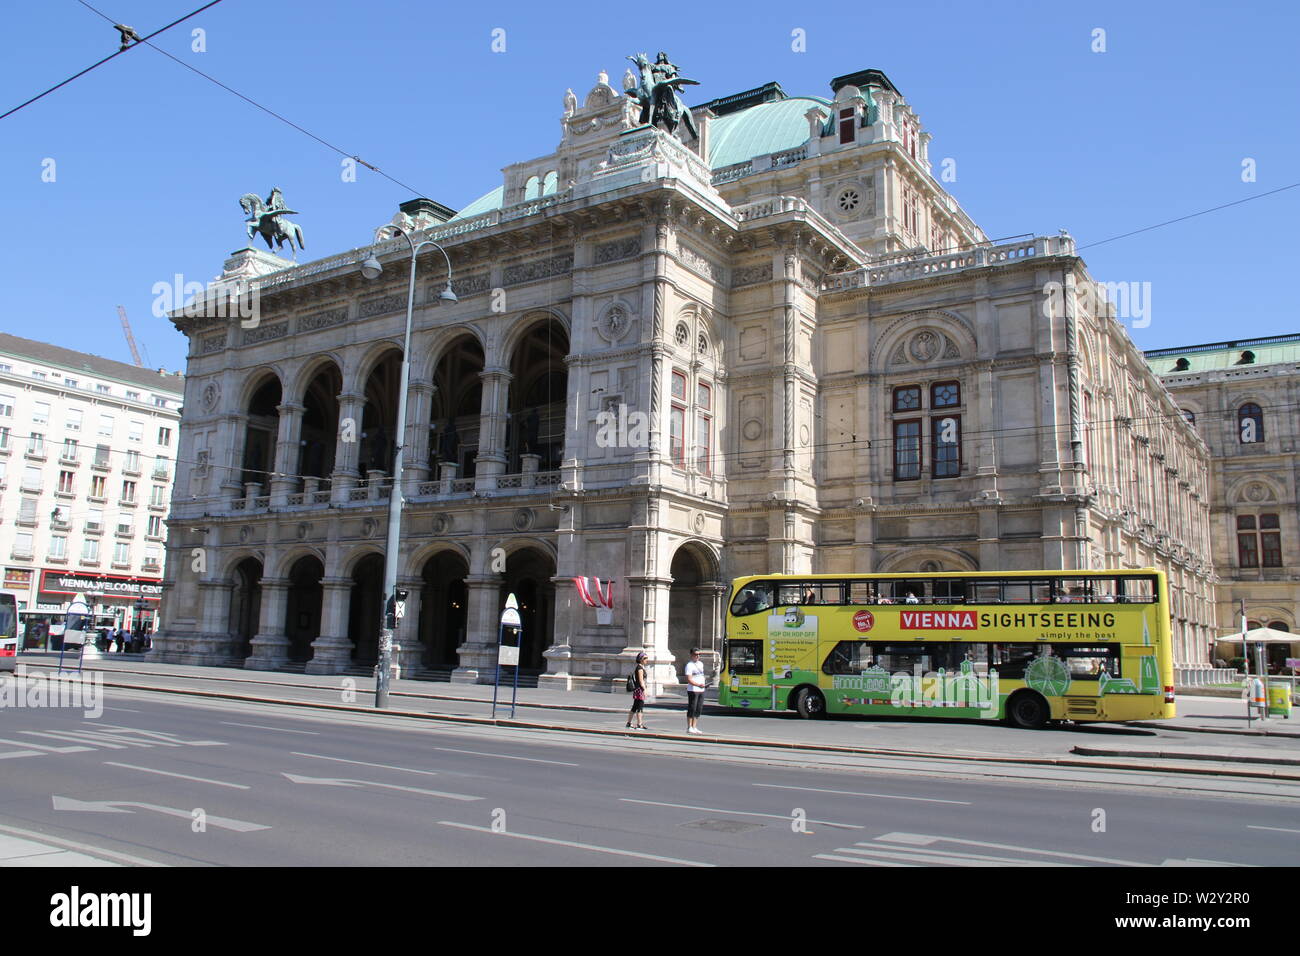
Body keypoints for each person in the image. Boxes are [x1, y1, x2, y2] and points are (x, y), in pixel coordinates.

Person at [684, 648, 707, 734]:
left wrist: (704, 684)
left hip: (701, 689)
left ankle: (694, 726)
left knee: (698, 708)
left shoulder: (701, 664)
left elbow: (701, 676)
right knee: (692, 708)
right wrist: (698, 685)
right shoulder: (689, 665)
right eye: (695, 654)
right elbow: (689, 679)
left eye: (699, 654)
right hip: (693, 689)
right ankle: (689, 727)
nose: (697, 656)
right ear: (691, 655)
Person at [626, 652, 649, 730]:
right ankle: (639, 724)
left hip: (638, 689)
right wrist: (644, 690)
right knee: (640, 707)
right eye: (645, 658)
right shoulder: (640, 668)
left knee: (635, 707)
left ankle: (629, 723)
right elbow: (641, 680)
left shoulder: (640, 667)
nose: (647, 660)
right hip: (640, 690)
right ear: (641, 659)